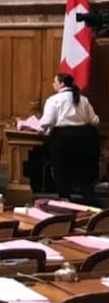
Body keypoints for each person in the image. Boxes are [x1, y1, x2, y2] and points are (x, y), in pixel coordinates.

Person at [40, 72, 101, 207]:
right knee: (84, 171)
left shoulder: (53, 100)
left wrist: (37, 127)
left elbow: (46, 123)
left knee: (62, 171)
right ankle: (91, 204)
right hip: (85, 138)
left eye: (55, 82)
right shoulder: (83, 99)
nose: (53, 84)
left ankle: (64, 202)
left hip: (63, 139)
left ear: (62, 84)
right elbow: (95, 120)